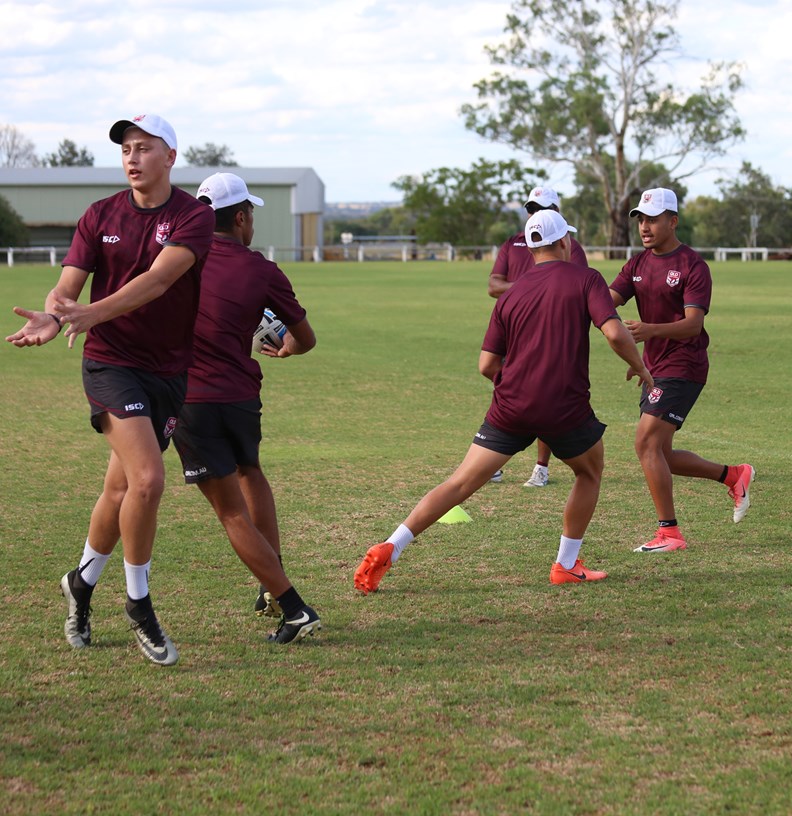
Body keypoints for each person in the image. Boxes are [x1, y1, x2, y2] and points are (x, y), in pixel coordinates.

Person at [6, 114, 214, 666]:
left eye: (143, 148)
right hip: (110, 364)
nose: (132, 158)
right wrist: (54, 315)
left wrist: (87, 313)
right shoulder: (99, 215)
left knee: (120, 491)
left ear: (170, 156)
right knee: (148, 479)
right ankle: (140, 603)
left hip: (168, 370)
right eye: (126, 149)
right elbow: (67, 286)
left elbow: (159, 279)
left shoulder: (194, 215)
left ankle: (80, 583)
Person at [354, 209, 651, 593]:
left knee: (461, 483)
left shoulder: (511, 294)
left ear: (529, 248)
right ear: (565, 242)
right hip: (564, 406)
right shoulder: (586, 279)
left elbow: (486, 365)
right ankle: (565, 564)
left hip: (510, 405)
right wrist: (641, 368)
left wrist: (518, 385)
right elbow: (613, 333)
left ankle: (392, 546)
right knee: (589, 472)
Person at [172, 172, 321, 644]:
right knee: (250, 472)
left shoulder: (175, 262)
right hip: (240, 396)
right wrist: (289, 349)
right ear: (240, 218)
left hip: (191, 398)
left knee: (229, 511)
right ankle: (270, 586)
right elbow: (305, 338)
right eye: (251, 213)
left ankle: (293, 605)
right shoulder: (262, 270)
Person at [608, 188, 755, 554]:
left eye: (653, 219)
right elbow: (606, 301)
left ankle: (669, 533)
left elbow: (692, 325)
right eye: (641, 219)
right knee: (662, 454)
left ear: (673, 221)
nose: (645, 226)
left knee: (645, 443)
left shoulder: (692, 266)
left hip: (685, 364)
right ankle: (733, 475)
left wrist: (647, 331)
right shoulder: (638, 264)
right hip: (654, 367)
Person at [486, 186, 590, 488]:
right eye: (531, 209)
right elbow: (493, 285)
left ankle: (541, 466)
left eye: (543, 209)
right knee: (508, 394)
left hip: (552, 334)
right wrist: (532, 286)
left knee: (542, 397)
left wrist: (525, 287)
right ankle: (493, 459)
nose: (535, 214)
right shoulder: (514, 243)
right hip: (514, 329)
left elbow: (576, 288)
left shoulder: (572, 247)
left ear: (557, 212)